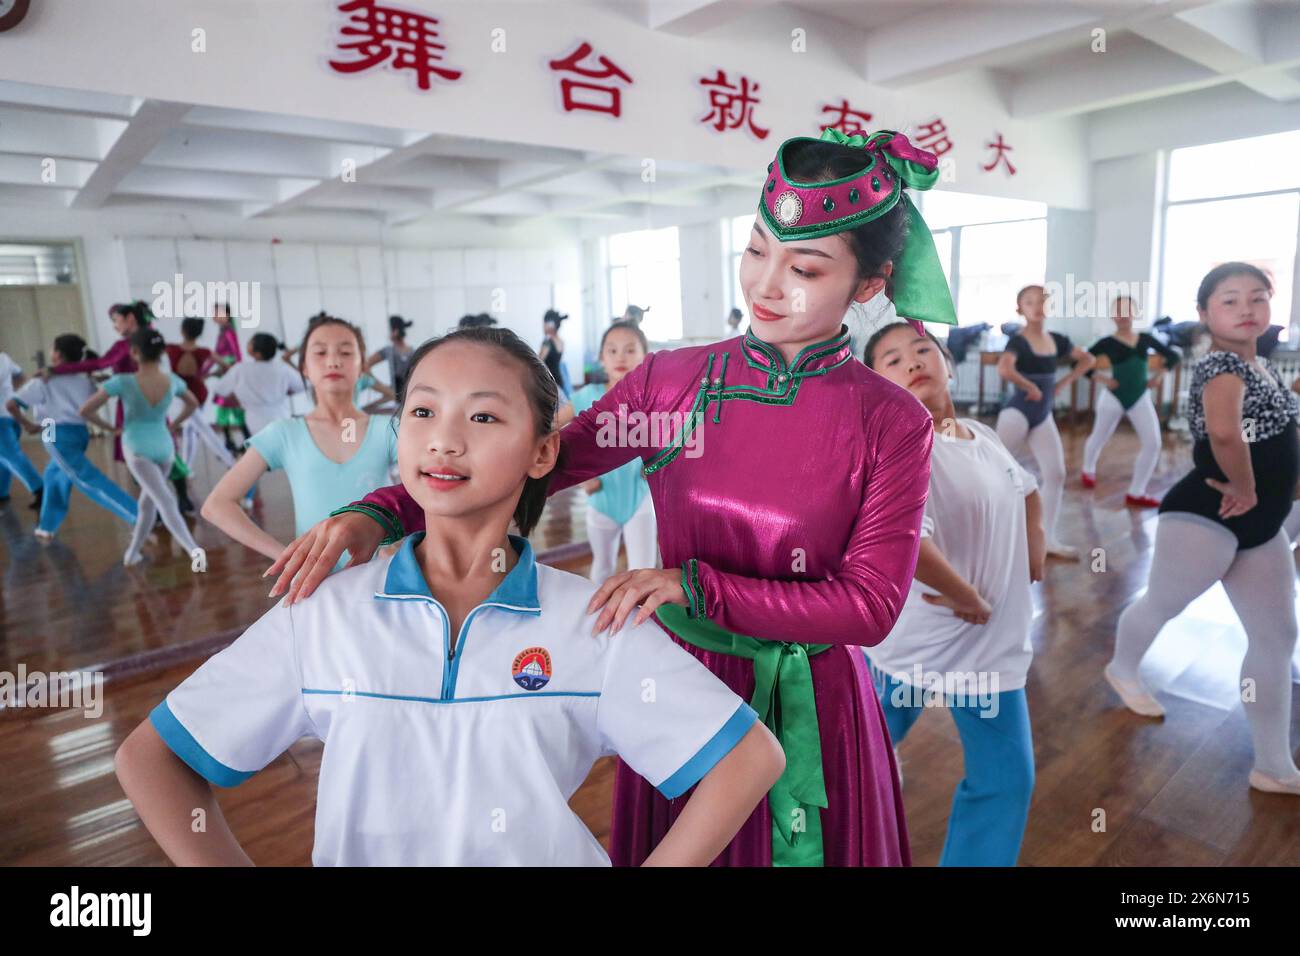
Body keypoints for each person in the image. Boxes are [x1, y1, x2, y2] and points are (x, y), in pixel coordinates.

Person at [264, 126, 962, 867]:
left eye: (806, 268)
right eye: (757, 249)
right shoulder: (678, 382)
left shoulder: (890, 421)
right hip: (681, 687)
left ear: (870, 285)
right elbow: (536, 463)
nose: (764, 284)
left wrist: (689, 584)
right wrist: (377, 512)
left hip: (813, 706)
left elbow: (871, 607)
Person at [114, 325, 784, 866]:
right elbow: (152, 757)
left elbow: (750, 756)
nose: (444, 438)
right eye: (423, 410)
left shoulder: (593, 623)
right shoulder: (323, 615)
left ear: (543, 453)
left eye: (484, 416)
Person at [1106, 263, 1300, 796]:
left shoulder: (1261, 366)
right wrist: (1248, 487)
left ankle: (1273, 765)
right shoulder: (1220, 365)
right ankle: (1122, 668)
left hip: (1258, 523)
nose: (1246, 309)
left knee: (1277, 637)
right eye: (1230, 300)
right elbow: (1223, 432)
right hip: (1208, 511)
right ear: (1205, 314)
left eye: (1257, 298)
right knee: (1165, 603)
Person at [864, 322, 1043, 865]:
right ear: (875, 385)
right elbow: (905, 544)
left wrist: (1032, 553)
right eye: (892, 359)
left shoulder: (979, 435)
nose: (912, 361)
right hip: (918, 646)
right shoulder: (899, 447)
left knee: (1007, 781)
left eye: (923, 350)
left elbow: (1027, 489)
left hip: (991, 650)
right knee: (846, 761)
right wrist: (967, 596)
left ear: (948, 363)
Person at [202, 317, 397, 571]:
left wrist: (405, 542)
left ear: (362, 366)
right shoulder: (284, 434)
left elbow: (431, 494)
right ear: (304, 367)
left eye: (346, 352)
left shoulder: (390, 429)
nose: (333, 360)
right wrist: (286, 555)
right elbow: (217, 505)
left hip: (381, 580)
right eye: (320, 352)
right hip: (314, 587)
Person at [80, 328, 202, 567]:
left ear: (134, 352)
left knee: (163, 501)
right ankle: (132, 553)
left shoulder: (122, 382)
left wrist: (109, 428)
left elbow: (84, 410)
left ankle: (194, 551)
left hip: (136, 446)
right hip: (164, 446)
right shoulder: (173, 381)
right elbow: (193, 404)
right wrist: (174, 424)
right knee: (148, 502)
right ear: (161, 353)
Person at [996, 286, 1096, 559]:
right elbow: (1004, 369)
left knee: (1056, 474)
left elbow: (1088, 360)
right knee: (994, 468)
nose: (1037, 306)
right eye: (1030, 302)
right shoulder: (1017, 341)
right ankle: (994, 534)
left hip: (1043, 416)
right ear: (1020, 309)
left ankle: (1048, 538)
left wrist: (1064, 382)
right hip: (1017, 412)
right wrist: (1029, 385)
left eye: (1042, 301)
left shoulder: (1058, 340)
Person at [6, 335, 136, 539]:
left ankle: (138, 515)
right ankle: (47, 526)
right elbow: (90, 409)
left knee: (88, 479)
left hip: (52, 431)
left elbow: (11, 405)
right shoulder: (85, 380)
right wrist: (109, 427)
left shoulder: (43, 379)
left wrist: (29, 425)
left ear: (57, 354)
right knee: (54, 476)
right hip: (80, 433)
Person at [556, 322, 657, 581]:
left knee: (643, 572)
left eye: (629, 350)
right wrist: (580, 477)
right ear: (602, 359)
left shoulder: (655, 399)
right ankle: (596, 621)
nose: (620, 357)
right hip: (601, 498)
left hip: (640, 498)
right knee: (602, 569)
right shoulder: (585, 397)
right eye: (612, 351)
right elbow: (548, 431)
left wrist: (658, 465)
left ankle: (641, 622)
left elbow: (677, 436)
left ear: (645, 356)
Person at [1081, 295, 1180, 507]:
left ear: (1135, 313)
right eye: (1118, 311)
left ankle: (1136, 491)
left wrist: (1159, 376)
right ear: (1112, 316)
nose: (1123, 315)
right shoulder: (1106, 342)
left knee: (1153, 443)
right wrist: (1102, 379)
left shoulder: (1145, 338)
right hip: (1112, 398)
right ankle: (1087, 469)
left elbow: (1173, 356)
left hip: (1139, 397)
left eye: (1127, 310)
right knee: (1099, 437)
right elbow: (1080, 363)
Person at [46, 300, 151, 463]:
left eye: (116, 320)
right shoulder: (151, 338)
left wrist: (56, 369)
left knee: (136, 449)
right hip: (155, 397)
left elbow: (100, 363)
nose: (115, 326)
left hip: (134, 402)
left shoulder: (126, 345)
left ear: (130, 318)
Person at [166, 317, 236, 515]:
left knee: (201, 428)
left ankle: (230, 461)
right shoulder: (204, 351)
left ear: (182, 330)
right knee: (190, 429)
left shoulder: (170, 349)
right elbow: (227, 365)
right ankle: (188, 467)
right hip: (198, 390)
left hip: (182, 392)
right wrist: (212, 375)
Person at [208, 333, 305, 438]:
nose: (247, 344)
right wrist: (285, 391)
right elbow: (302, 385)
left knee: (262, 450)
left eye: (250, 343)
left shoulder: (241, 369)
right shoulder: (282, 369)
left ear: (257, 353)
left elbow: (220, 389)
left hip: (255, 420)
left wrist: (238, 401)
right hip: (281, 416)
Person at [0, 349, 43, 510]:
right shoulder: (4, 358)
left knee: (11, 456)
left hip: (1, 419)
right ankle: (1, 493)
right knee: (4, 457)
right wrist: (13, 396)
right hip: (11, 414)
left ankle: (40, 489)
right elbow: (20, 376)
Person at [209, 301, 249, 455]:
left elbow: (236, 353)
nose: (215, 316)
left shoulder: (228, 332)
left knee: (229, 406)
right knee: (225, 406)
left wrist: (236, 372)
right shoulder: (223, 331)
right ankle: (231, 440)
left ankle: (241, 439)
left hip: (230, 372)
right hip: (226, 371)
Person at [365, 315, 416, 396]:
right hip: (395, 396)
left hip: (409, 395)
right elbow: (365, 365)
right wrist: (382, 387)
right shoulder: (388, 351)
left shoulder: (414, 352)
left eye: (389, 330)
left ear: (395, 331)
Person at [538, 308, 570, 398]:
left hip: (549, 383)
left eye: (544, 324)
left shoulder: (547, 342)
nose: (543, 326)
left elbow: (537, 362)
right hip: (559, 381)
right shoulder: (561, 341)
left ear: (550, 325)